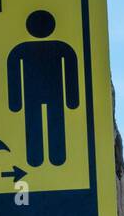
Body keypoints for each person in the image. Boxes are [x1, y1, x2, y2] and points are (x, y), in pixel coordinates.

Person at [6, 9, 79, 167]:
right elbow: (13, 74)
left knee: (49, 124)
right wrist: (72, 99)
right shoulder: (60, 47)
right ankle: (41, 158)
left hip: (43, 95)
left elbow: (71, 72)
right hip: (44, 96)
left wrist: (15, 102)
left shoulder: (23, 49)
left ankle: (51, 157)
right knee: (40, 125)